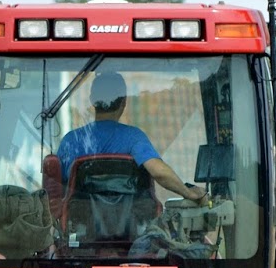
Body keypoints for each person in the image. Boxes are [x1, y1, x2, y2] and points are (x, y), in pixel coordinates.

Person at [56, 72, 208, 206]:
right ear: (124, 102)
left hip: (80, 224)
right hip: (133, 226)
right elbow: (159, 172)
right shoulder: (133, 138)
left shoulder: (71, 141)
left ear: (92, 101)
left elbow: (56, 189)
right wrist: (188, 192)